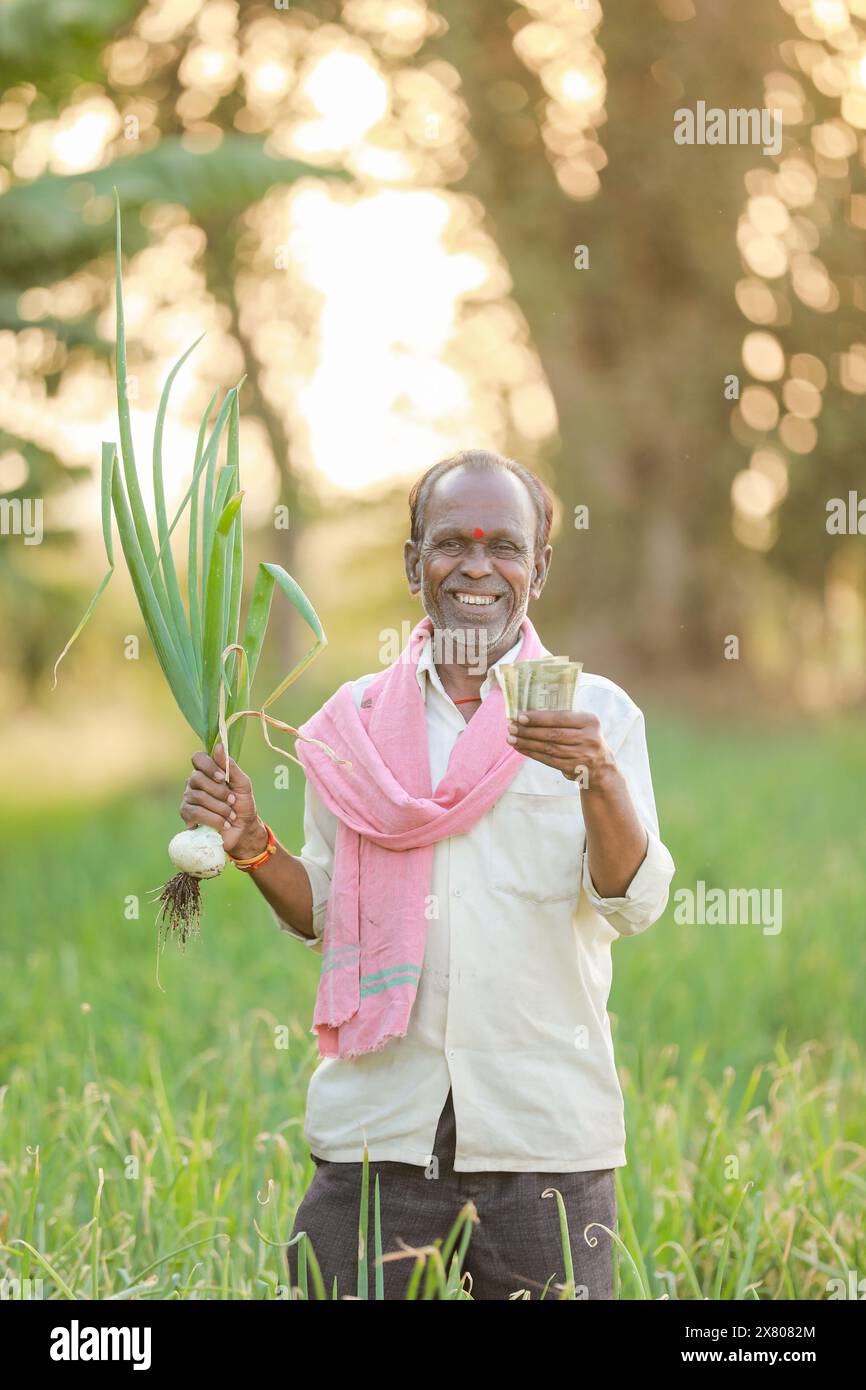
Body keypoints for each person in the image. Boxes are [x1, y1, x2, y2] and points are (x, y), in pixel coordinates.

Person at [178, 448, 676, 1300]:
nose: (477, 565)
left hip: (545, 1134)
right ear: (415, 565)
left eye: (504, 546)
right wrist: (254, 843)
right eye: (451, 542)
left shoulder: (598, 714)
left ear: (539, 568)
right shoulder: (352, 726)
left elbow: (633, 900)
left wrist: (599, 777)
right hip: (378, 1133)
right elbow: (326, 918)